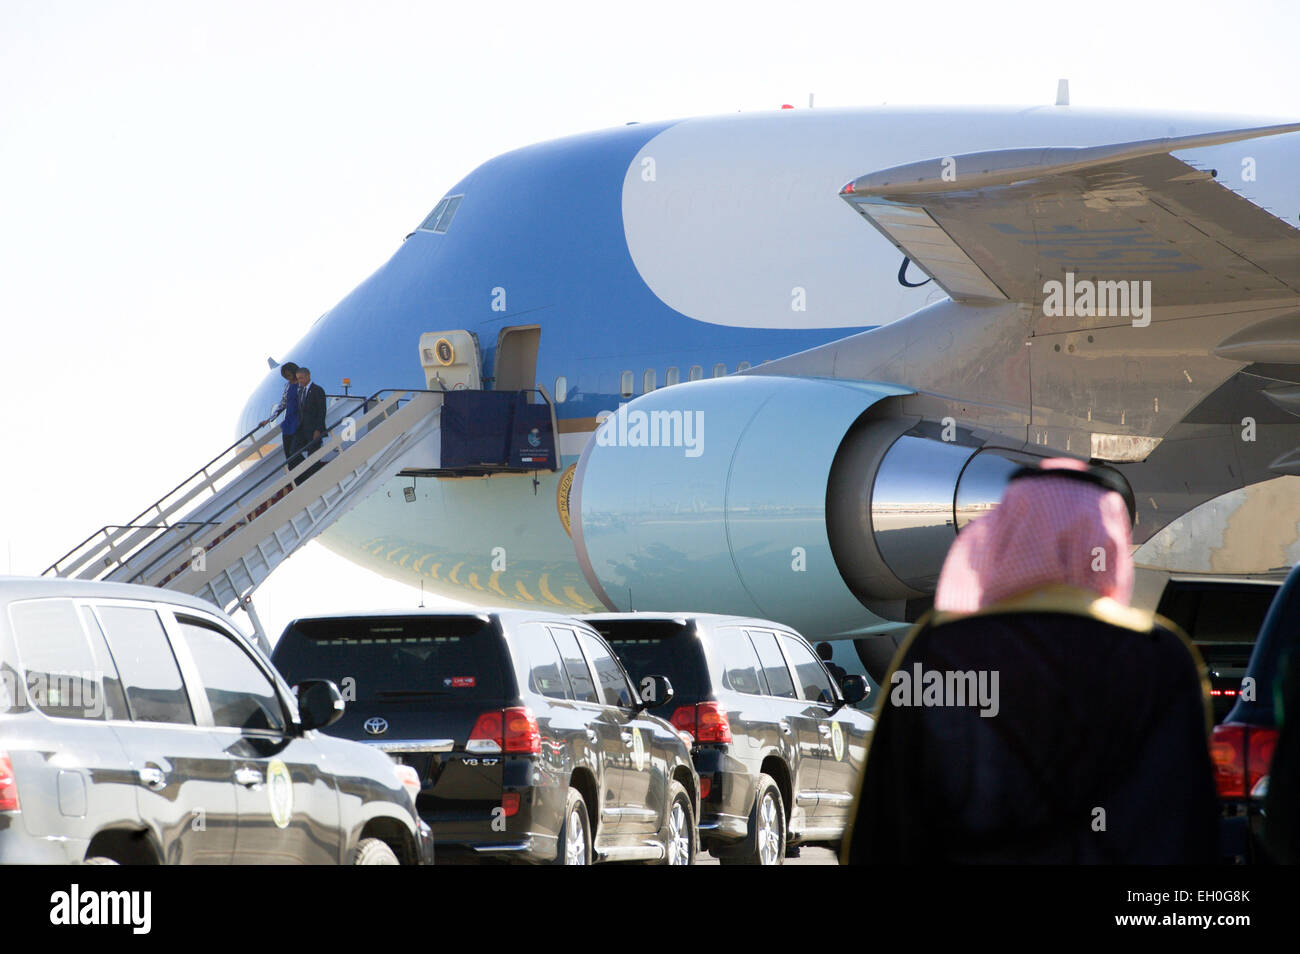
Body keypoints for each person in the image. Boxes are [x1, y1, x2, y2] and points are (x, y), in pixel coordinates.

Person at [843, 458, 1218, 864]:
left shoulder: (941, 650)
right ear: (1107, 545)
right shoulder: (1160, 654)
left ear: (1007, 538)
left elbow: (883, 816)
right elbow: (1191, 820)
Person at [260, 362, 301, 466]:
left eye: (289, 375)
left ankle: (307, 470)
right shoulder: (288, 386)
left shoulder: (303, 383)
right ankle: (297, 475)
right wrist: (269, 420)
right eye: (285, 376)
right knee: (288, 452)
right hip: (289, 420)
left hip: (300, 419)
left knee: (294, 450)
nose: (288, 378)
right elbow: (282, 404)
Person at [292, 366, 328, 485]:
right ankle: (306, 475)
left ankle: (314, 481)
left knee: (314, 456)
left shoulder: (317, 390)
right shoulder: (300, 391)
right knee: (293, 452)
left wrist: (318, 429)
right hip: (302, 430)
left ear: (308, 376)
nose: (300, 381)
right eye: (298, 379)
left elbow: (322, 411)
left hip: (314, 430)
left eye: (301, 378)